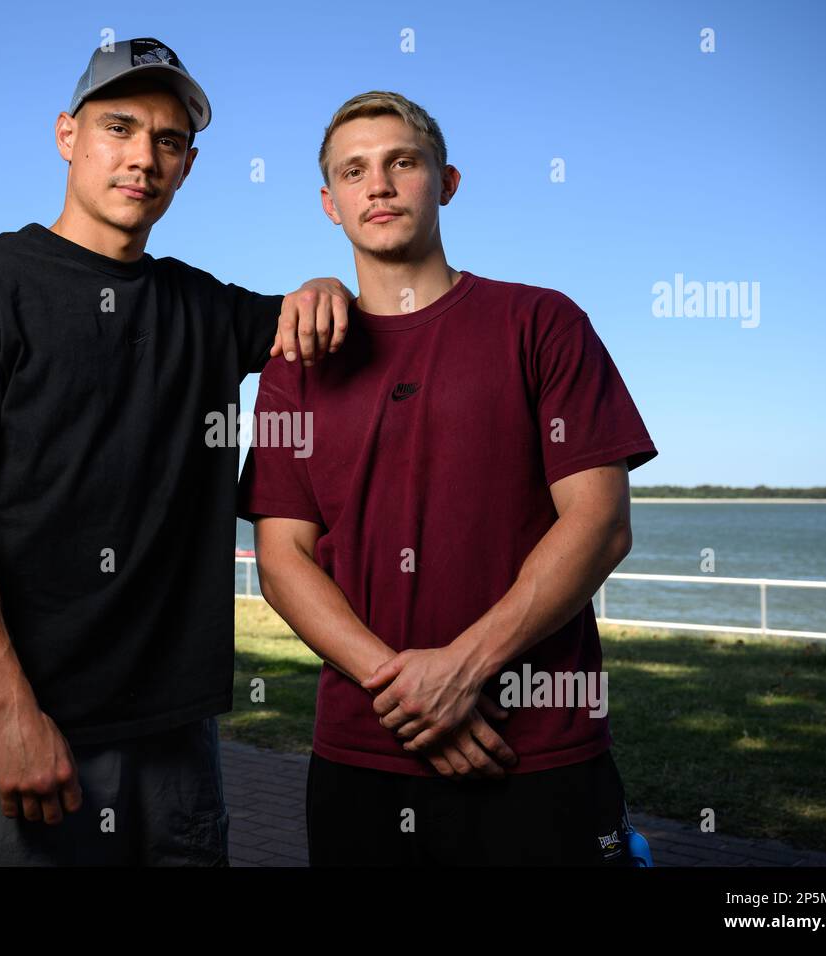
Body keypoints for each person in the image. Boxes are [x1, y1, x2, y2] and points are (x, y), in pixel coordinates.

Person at [0, 37, 351, 866]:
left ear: (188, 166)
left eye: (167, 142)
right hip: (25, 735)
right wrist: (9, 710)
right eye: (120, 128)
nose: (143, 158)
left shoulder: (203, 308)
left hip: (176, 743)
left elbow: (307, 322)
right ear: (68, 136)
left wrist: (326, 286)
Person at [238, 90, 659, 866]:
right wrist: (408, 691)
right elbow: (283, 560)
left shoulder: (541, 323)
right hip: (363, 756)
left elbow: (600, 522)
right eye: (354, 171)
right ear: (330, 205)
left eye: (403, 162)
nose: (381, 185)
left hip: (537, 747)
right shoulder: (294, 365)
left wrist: (463, 668)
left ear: (447, 181)